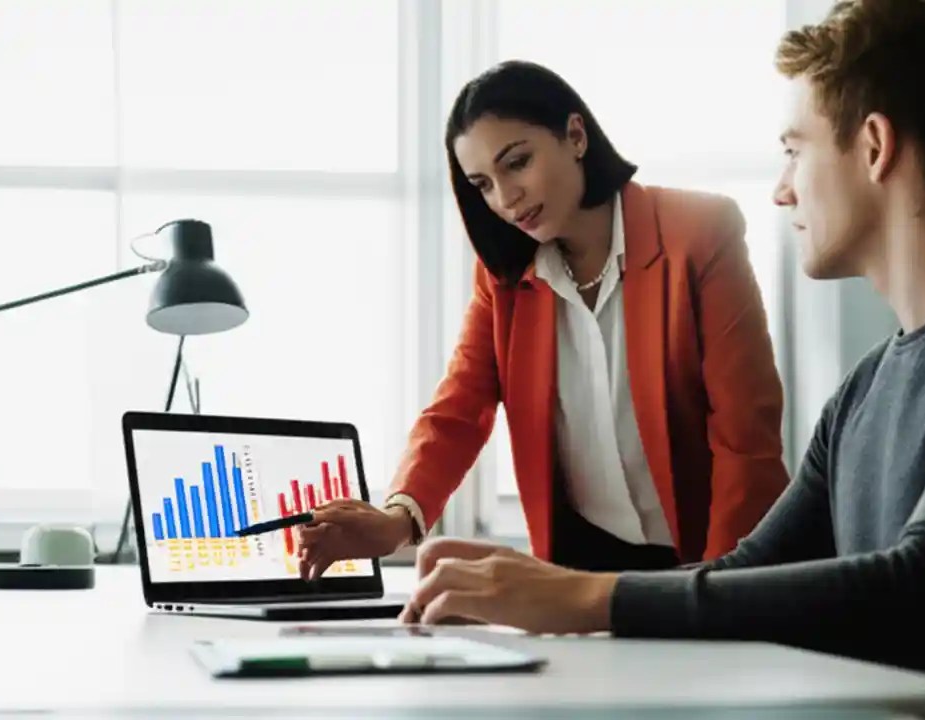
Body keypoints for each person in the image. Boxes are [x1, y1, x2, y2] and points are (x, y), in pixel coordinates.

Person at [394, 0, 925, 712]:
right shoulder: (866, 387)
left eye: (795, 149)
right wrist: (534, 594)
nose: (783, 187)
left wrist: (577, 594)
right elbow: (746, 573)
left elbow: (923, 584)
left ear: (875, 147)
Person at [297, 60, 789, 579]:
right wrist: (398, 518)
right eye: (482, 184)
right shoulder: (505, 282)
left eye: (517, 162)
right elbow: (460, 410)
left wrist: (717, 592)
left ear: (575, 136)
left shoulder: (699, 233)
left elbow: (745, 438)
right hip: (583, 567)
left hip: (710, 557)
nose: (506, 200)